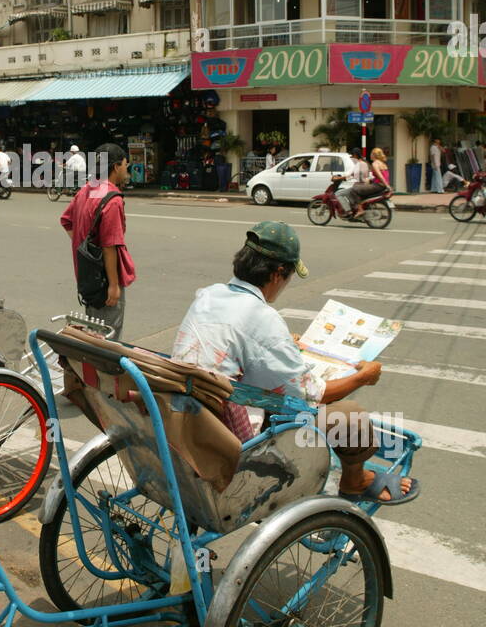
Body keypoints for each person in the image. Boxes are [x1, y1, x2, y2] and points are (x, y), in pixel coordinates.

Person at [172, 222, 418, 504]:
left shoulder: (209, 295)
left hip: (187, 415)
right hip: (232, 439)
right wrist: (363, 376)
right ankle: (355, 480)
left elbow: (233, 343)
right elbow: (313, 394)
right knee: (349, 416)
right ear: (278, 273)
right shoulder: (262, 318)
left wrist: (282, 345)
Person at [60, 144, 134, 340]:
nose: (127, 169)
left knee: (93, 332)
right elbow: (110, 245)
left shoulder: (88, 189)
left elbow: (66, 220)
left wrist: (85, 248)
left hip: (86, 275)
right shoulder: (113, 198)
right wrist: (113, 284)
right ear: (116, 166)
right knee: (106, 339)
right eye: (126, 164)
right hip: (103, 279)